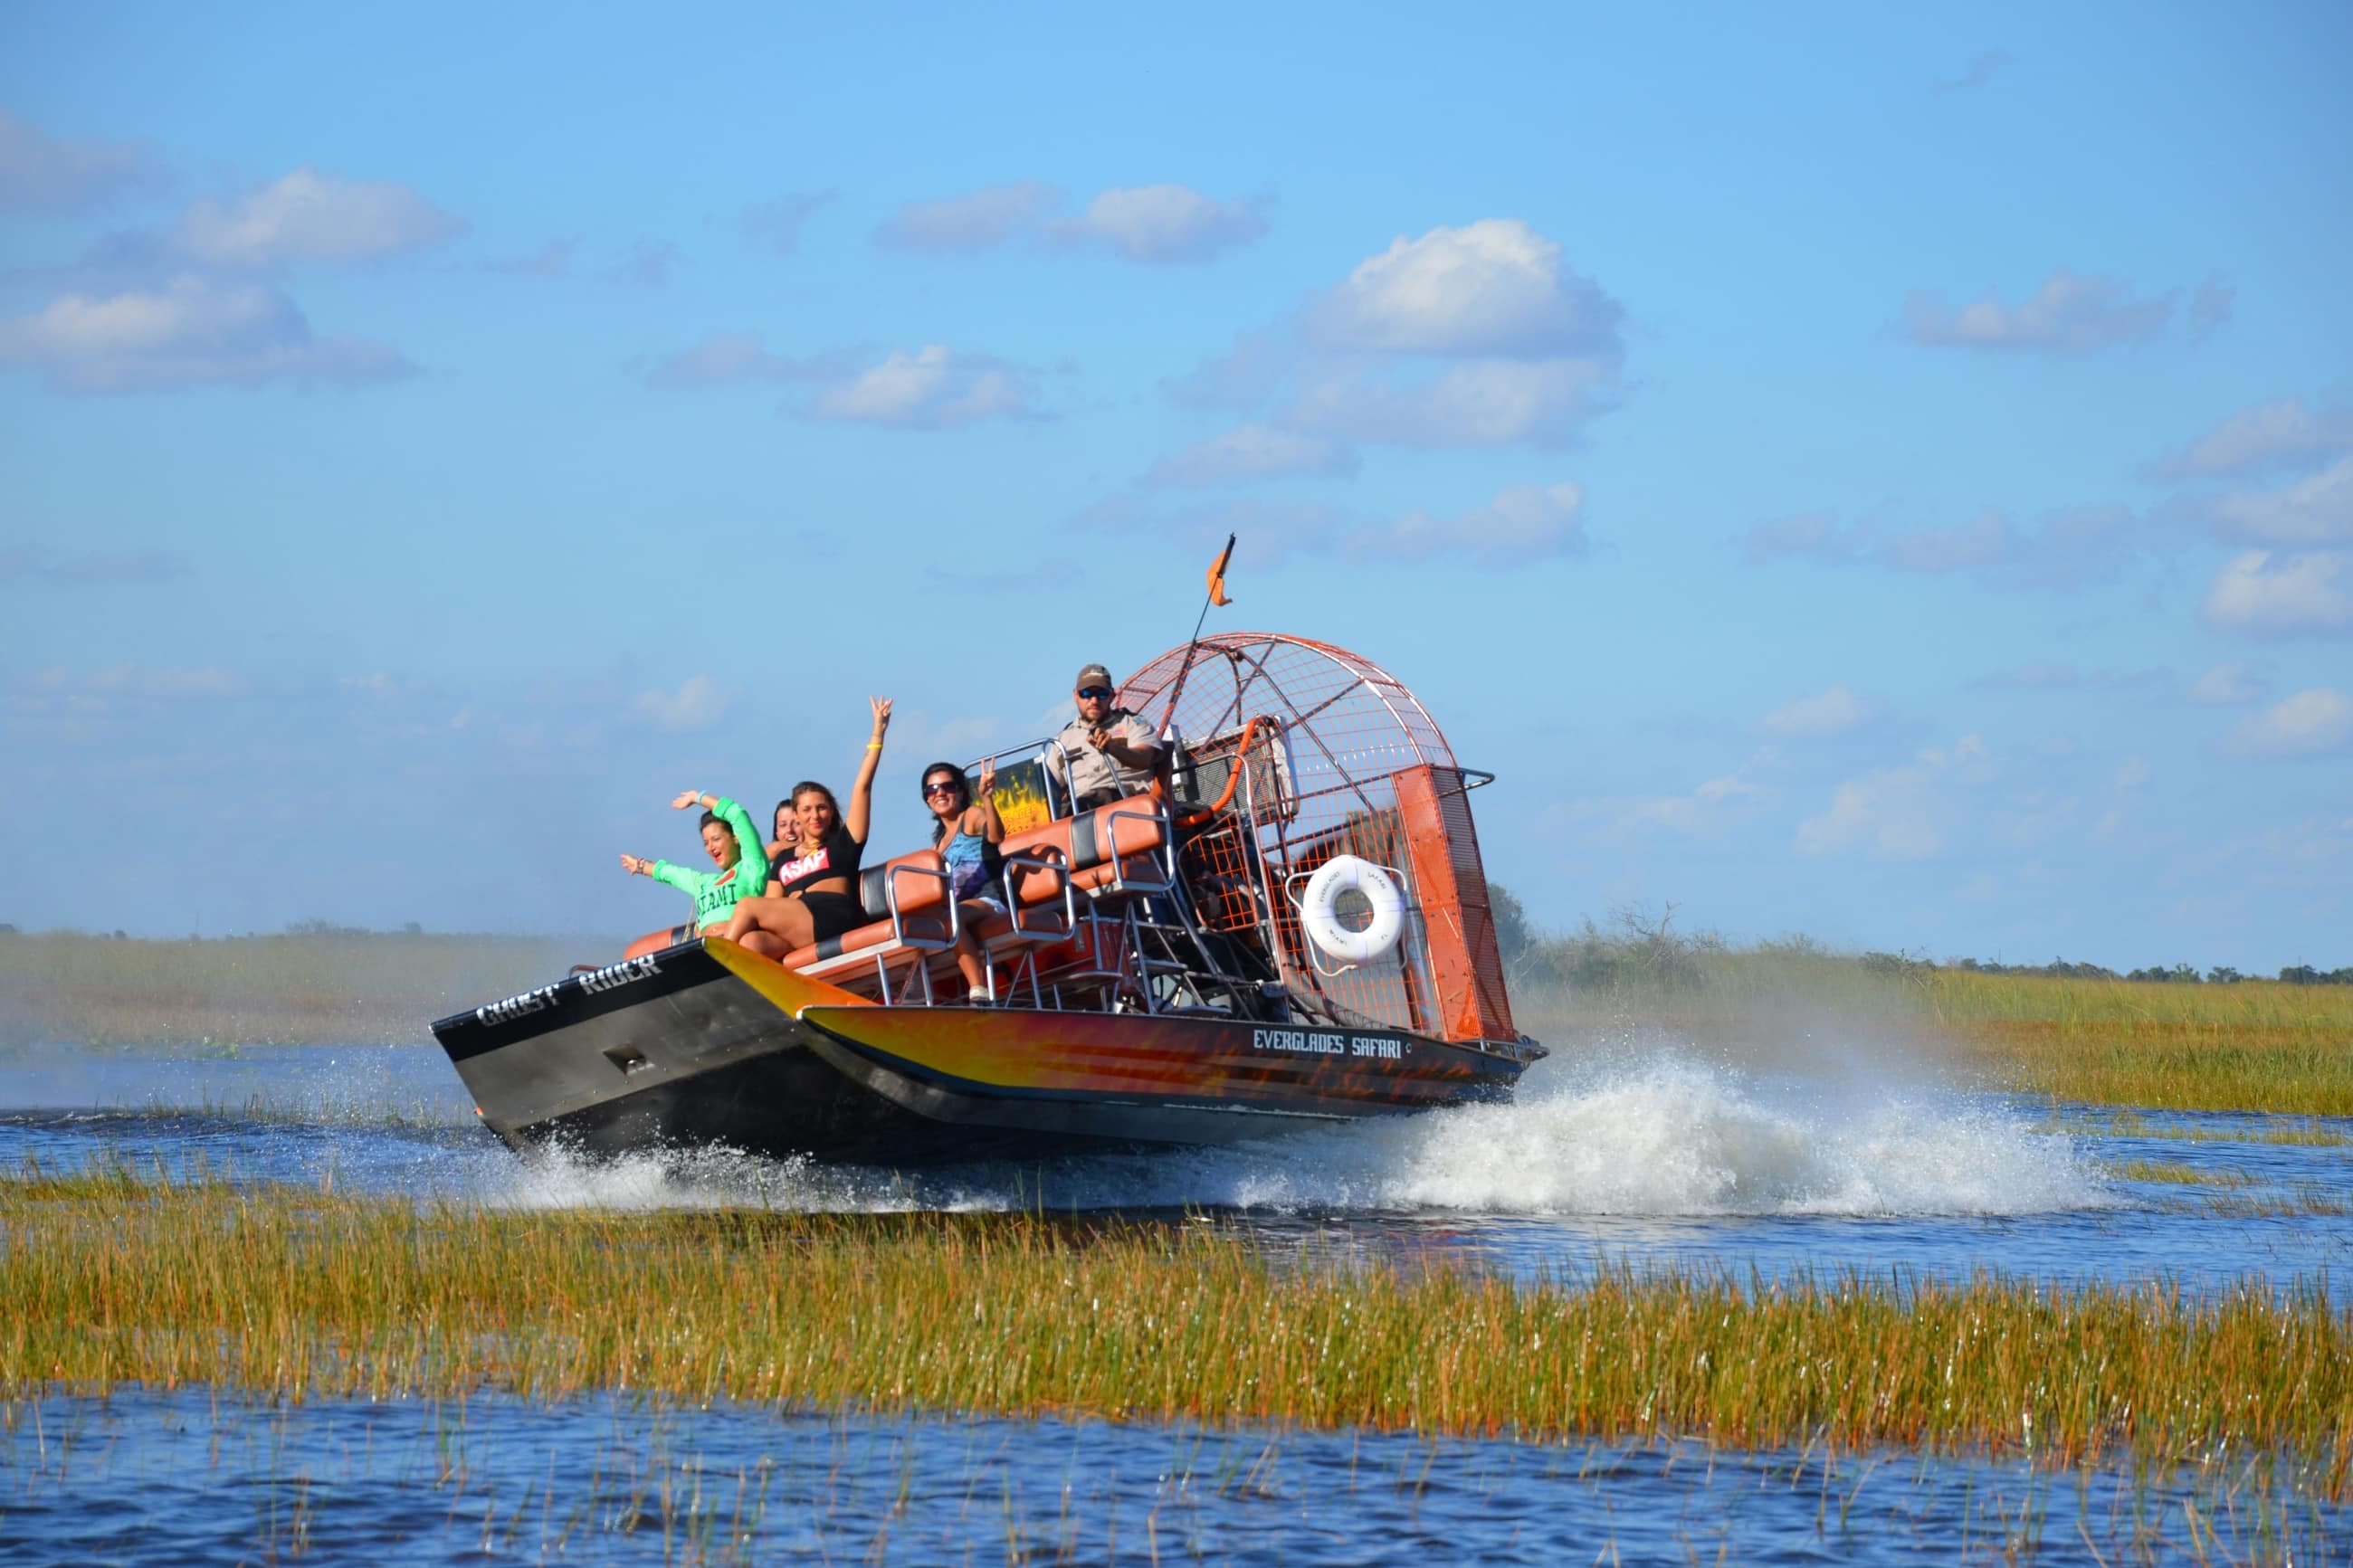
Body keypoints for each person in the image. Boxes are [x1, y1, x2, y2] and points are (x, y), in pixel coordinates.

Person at [719, 698, 891, 959]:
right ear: (797, 815)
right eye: (807, 810)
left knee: (746, 906)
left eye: (822, 808)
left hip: (829, 916)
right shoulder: (786, 859)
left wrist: (877, 733)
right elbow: (772, 903)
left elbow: (862, 787)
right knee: (751, 942)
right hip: (793, 927)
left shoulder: (843, 843)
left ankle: (715, 969)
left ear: (832, 810)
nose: (815, 815)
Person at [619, 790, 769, 935]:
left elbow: (737, 814)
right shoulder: (704, 882)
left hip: (737, 947)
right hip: (704, 951)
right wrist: (639, 866)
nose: (710, 847)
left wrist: (697, 797)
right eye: (706, 843)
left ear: (735, 838)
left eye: (716, 839)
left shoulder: (752, 868)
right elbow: (672, 874)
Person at [922, 758, 1006, 1003]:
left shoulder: (971, 816)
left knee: (952, 920)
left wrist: (987, 798)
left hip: (988, 901)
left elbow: (996, 835)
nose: (940, 793)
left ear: (959, 791)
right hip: (957, 907)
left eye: (947, 787)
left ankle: (979, 990)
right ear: (927, 799)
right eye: (932, 790)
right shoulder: (937, 845)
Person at [1043, 661, 1162, 813]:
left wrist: (1113, 748)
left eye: (1101, 694)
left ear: (1112, 696)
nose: (1094, 701)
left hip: (1125, 803)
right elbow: (1047, 785)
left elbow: (1144, 757)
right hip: (1079, 810)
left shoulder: (1132, 723)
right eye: (1086, 694)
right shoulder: (1062, 741)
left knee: (1100, 798)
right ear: (1075, 695)